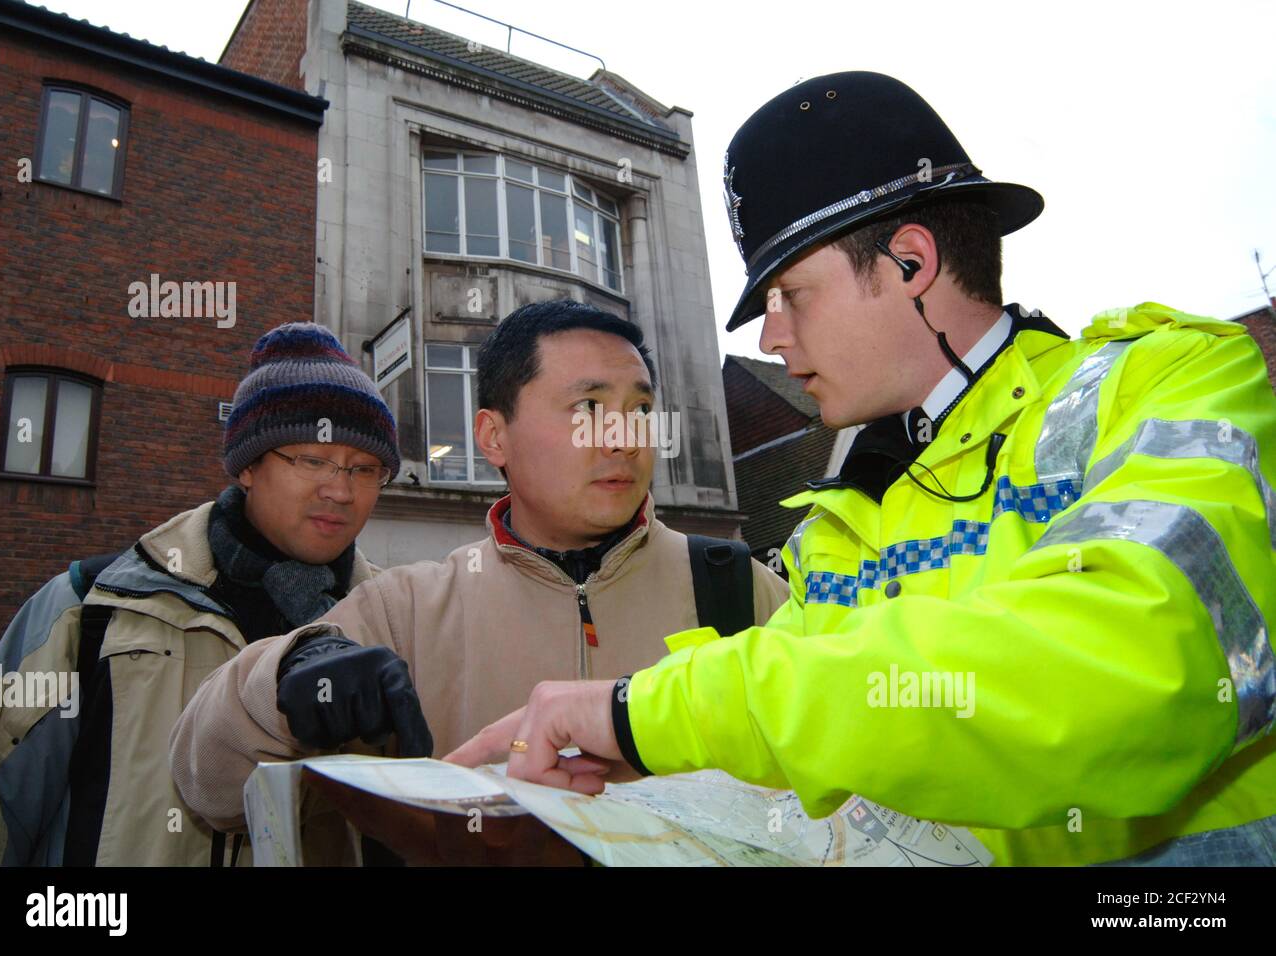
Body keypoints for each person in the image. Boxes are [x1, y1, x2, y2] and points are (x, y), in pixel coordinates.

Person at [446, 72, 1276, 866]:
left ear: (911, 264)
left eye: (789, 297)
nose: (770, 340)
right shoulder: (841, 523)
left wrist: (638, 718)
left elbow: (1129, 670)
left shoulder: (1165, 386)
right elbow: (805, 716)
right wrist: (634, 758)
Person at [169, 299, 787, 835]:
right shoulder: (404, 610)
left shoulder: (741, 591)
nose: (625, 436)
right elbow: (209, 787)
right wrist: (282, 684)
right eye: (588, 408)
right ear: (493, 437)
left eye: (642, 409)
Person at [0, 322, 401, 865]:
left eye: (365, 469)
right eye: (311, 460)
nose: (340, 490)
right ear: (249, 464)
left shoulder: (392, 625)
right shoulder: (90, 610)